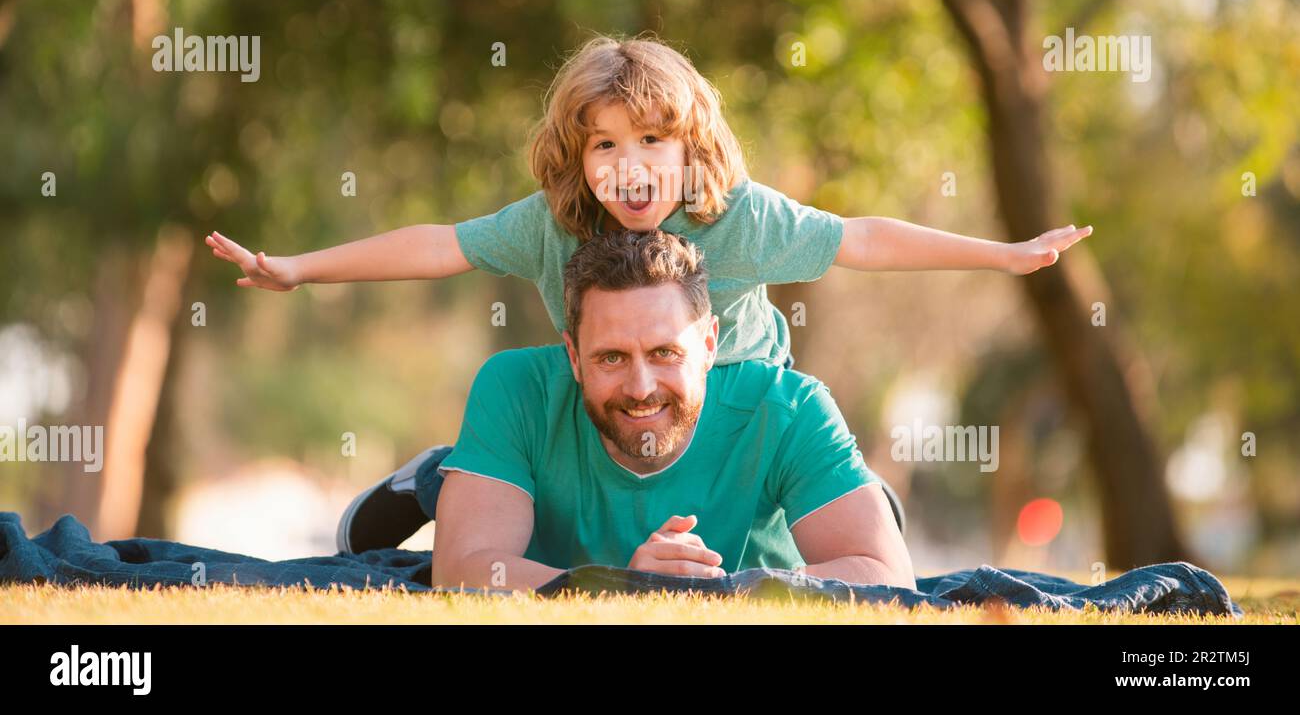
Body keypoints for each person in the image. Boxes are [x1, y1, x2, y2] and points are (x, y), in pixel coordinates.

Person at [204, 32, 1090, 553]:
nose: (630, 171)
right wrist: (300, 266)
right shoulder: (555, 222)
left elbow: (861, 238)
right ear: (577, 159)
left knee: (747, 566)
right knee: (565, 516)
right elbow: (443, 245)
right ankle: (451, 479)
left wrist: (1005, 254)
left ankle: (854, 495)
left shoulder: (741, 217)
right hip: (602, 428)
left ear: (691, 148)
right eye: (605, 147)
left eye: (652, 143)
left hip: (735, 442)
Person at [429, 227, 915, 590]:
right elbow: (458, 570)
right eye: (611, 357)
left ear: (708, 344)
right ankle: (429, 479)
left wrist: (717, 592)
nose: (640, 388)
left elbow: (887, 579)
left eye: (664, 353)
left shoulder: (790, 405)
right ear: (573, 357)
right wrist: (624, 586)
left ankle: (861, 493)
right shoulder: (515, 388)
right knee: (449, 492)